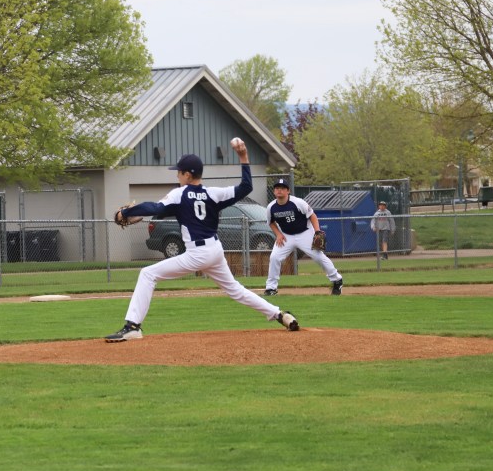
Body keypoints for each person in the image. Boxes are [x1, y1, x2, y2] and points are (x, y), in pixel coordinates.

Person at [105, 142, 299, 341]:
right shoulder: (213, 193)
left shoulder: (179, 194)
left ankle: (133, 326)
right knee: (235, 289)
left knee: (147, 274)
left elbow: (153, 207)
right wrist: (243, 157)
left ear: (187, 175)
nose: (177, 176)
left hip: (197, 254)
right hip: (214, 250)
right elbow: (246, 187)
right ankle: (280, 315)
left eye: (179, 172)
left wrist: (125, 212)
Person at [263, 179, 343, 296]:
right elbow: (271, 222)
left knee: (318, 257)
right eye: (277, 188)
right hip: (286, 236)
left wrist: (317, 232)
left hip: (304, 233)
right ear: (274, 191)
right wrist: (278, 234)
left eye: (282, 188)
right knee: (274, 257)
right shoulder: (271, 207)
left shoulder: (298, 202)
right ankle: (271, 288)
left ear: (288, 191)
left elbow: (313, 216)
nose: (279, 190)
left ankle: (337, 280)